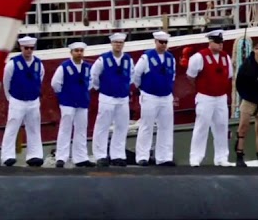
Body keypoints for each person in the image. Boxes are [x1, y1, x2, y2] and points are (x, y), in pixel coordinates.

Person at [187, 29, 234, 167]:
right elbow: (191, 76)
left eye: (222, 42)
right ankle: (196, 157)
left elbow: (229, 76)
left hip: (221, 97)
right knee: (201, 126)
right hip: (205, 97)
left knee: (222, 126)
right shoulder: (199, 57)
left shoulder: (226, 57)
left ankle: (221, 157)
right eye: (218, 42)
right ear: (210, 42)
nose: (221, 45)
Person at [131, 30, 176, 166]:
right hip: (150, 95)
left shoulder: (170, 58)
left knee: (166, 127)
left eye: (165, 42)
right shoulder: (146, 57)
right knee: (147, 126)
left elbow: (172, 75)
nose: (163, 45)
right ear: (155, 42)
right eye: (161, 42)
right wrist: (142, 89)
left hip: (166, 96)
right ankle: (142, 156)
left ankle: (164, 157)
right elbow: (136, 75)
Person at [90, 32, 133, 167]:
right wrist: (101, 88)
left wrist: (124, 87)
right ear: (112, 44)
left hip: (122, 98)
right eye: (116, 43)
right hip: (107, 97)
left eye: (120, 43)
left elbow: (132, 75)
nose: (118, 45)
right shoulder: (103, 60)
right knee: (102, 126)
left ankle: (118, 155)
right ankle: (100, 155)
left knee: (122, 126)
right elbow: (94, 76)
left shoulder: (128, 60)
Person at [0, 35, 44, 167]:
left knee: (34, 128)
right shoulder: (13, 63)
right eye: (26, 48)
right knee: (12, 127)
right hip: (17, 100)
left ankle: (35, 155)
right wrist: (10, 98)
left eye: (31, 48)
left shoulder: (38, 64)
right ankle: (7, 156)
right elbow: (6, 82)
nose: (29, 51)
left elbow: (40, 79)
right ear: (21, 48)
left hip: (33, 101)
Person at [51, 41, 92, 168]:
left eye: (81, 51)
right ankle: (61, 157)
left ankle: (81, 157)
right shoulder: (64, 67)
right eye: (76, 51)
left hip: (82, 102)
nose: (79, 53)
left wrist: (84, 92)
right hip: (68, 102)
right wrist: (63, 96)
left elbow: (91, 82)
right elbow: (55, 84)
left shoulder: (87, 67)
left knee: (81, 129)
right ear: (71, 52)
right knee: (65, 129)